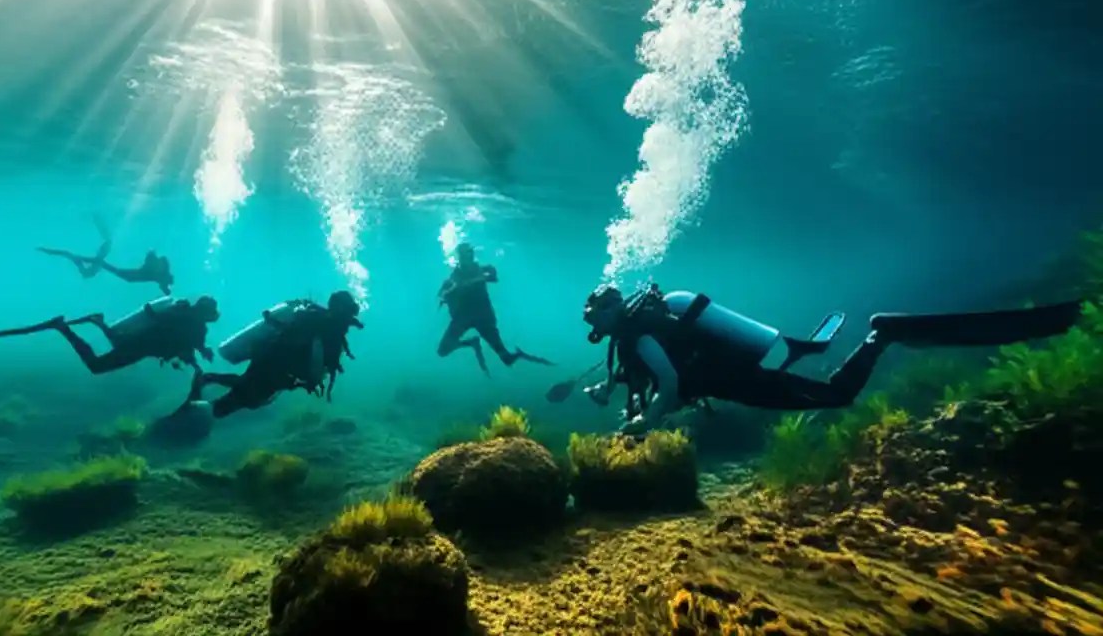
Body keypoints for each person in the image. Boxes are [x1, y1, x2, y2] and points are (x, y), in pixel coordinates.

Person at [579, 283, 1084, 435]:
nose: (591, 326)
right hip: (741, 371)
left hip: (740, 379)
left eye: (593, 317)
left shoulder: (639, 337)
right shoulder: (633, 337)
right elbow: (642, 376)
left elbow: (666, 385)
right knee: (821, 388)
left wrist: (643, 423)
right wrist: (611, 390)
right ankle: (847, 342)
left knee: (837, 397)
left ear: (610, 313)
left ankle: (881, 336)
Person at [184, 290, 364, 419]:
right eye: (350, 311)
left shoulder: (325, 328)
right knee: (245, 396)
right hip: (272, 367)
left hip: (274, 368)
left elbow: (316, 362)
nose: (351, 318)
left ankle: (204, 399)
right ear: (341, 309)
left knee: (247, 397)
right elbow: (313, 361)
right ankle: (203, 396)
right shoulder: (320, 326)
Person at [0, 295, 220, 375]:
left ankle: (98, 322)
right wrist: (198, 355)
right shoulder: (188, 322)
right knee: (96, 366)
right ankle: (62, 327)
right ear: (205, 313)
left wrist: (201, 353)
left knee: (115, 338)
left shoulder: (194, 325)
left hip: (138, 344)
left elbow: (191, 344)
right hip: (138, 346)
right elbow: (184, 341)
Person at [436, 242, 552, 374]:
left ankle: (523, 356)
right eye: (464, 255)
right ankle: (472, 343)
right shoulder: (455, 275)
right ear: (460, 257)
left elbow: (493, 276)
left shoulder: (480, 270)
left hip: (483, 317)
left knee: (506, 358)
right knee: (443, 350)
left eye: (469, 254)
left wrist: (473, 280)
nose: (468, 257)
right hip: (463, 318)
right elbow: (443, 294)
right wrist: (446, 292)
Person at [38, 215, 175, 295]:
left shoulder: (160, 273)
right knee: (98, 255)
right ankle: (97, 219)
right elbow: (165, 288)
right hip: (129, 274)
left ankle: (97, 219)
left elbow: (165, 288)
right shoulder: (160, 272)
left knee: (97, 255)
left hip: (128, 275)